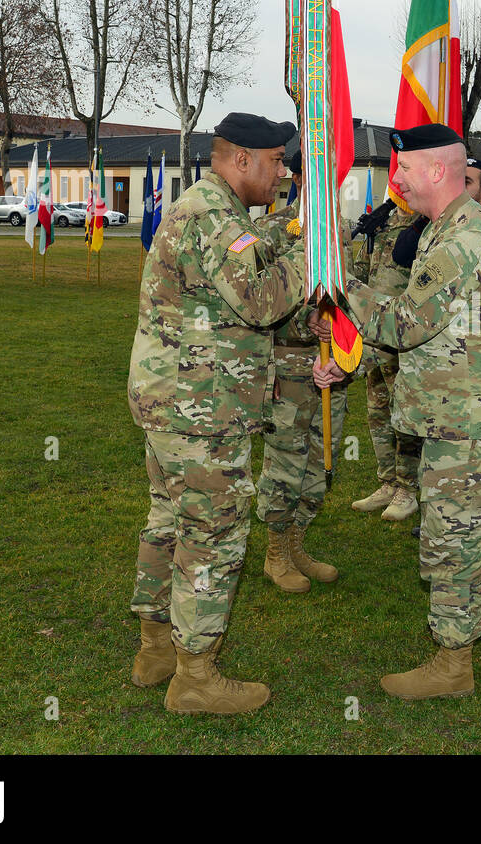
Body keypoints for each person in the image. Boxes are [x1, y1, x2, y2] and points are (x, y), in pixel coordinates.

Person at [317, 123, 481, 699]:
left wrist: (336, 282)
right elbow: (428, 329)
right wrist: (351, 360)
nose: (394, 177)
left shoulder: (461, 240)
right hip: (464, 410)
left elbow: (405, 322)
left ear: (434, 171)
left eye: (402, 168)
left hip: (470, 420)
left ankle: (454, 664)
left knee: (452, 541)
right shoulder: (445, 228)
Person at [127, 112, 309, 714]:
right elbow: (263, 302)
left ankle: (157, 647)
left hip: (174, 402)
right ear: (240, 161)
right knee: (214, 531)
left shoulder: (210, 212)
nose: (282, 172)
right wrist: (312, 260)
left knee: (169, 518)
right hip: (200, 411)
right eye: (276, 161)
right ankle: (195, 675)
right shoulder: (215, 219)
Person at [252, 148, 347, 594]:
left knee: (317, 463)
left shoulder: (339, 234)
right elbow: (257, 304)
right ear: (296, 175)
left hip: (332, 367)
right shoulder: (270, 230)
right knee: (285, 464)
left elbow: (356, 295)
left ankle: (296, 544)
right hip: (288, 367)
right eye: (319, 172)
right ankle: (275, 552)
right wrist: (300, 320)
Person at [349, 196, 423, 523]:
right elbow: (365, 273)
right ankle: (388, 481)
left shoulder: (425, 224)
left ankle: (407, 488)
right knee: (378, 410)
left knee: (404, 413)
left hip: (403, 335)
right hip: (373, 332)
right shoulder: (383, 222)